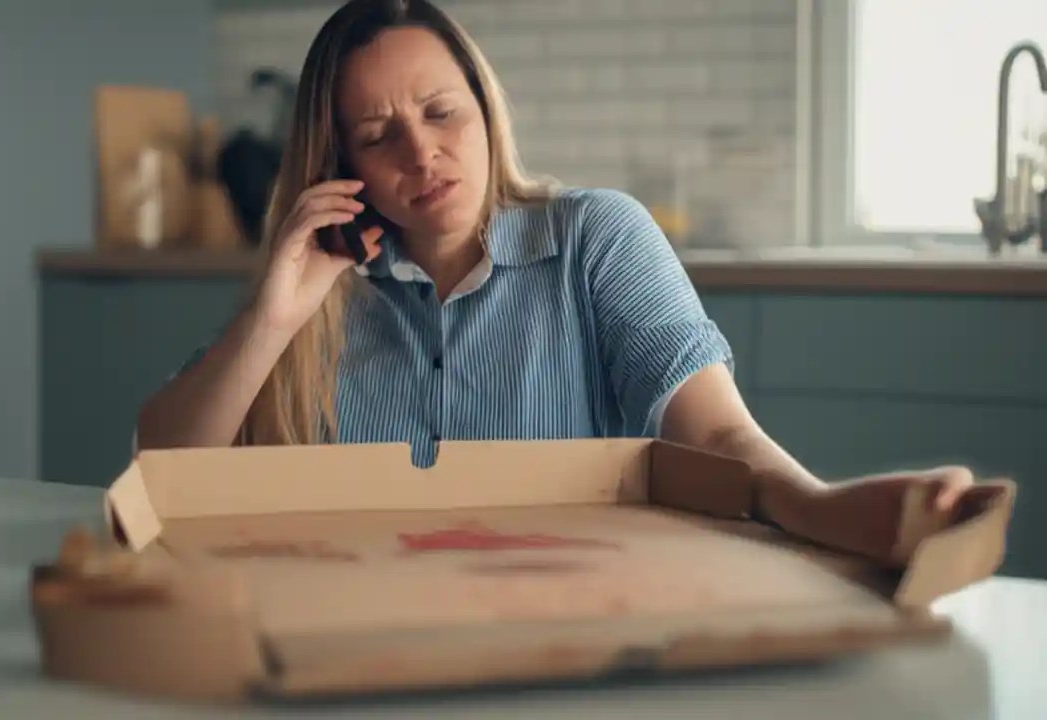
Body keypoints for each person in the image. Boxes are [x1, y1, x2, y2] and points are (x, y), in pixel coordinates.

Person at [136, 0, 975, 567]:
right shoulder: (319, 291)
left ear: (484, 109)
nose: (421, 153)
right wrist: (274, 317)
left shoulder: (596, 238)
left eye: (441, 112)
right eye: (377, 134)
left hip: (563, 610)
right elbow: (162, 471)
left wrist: (835, 512)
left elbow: (720, 440)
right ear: (340, 161)